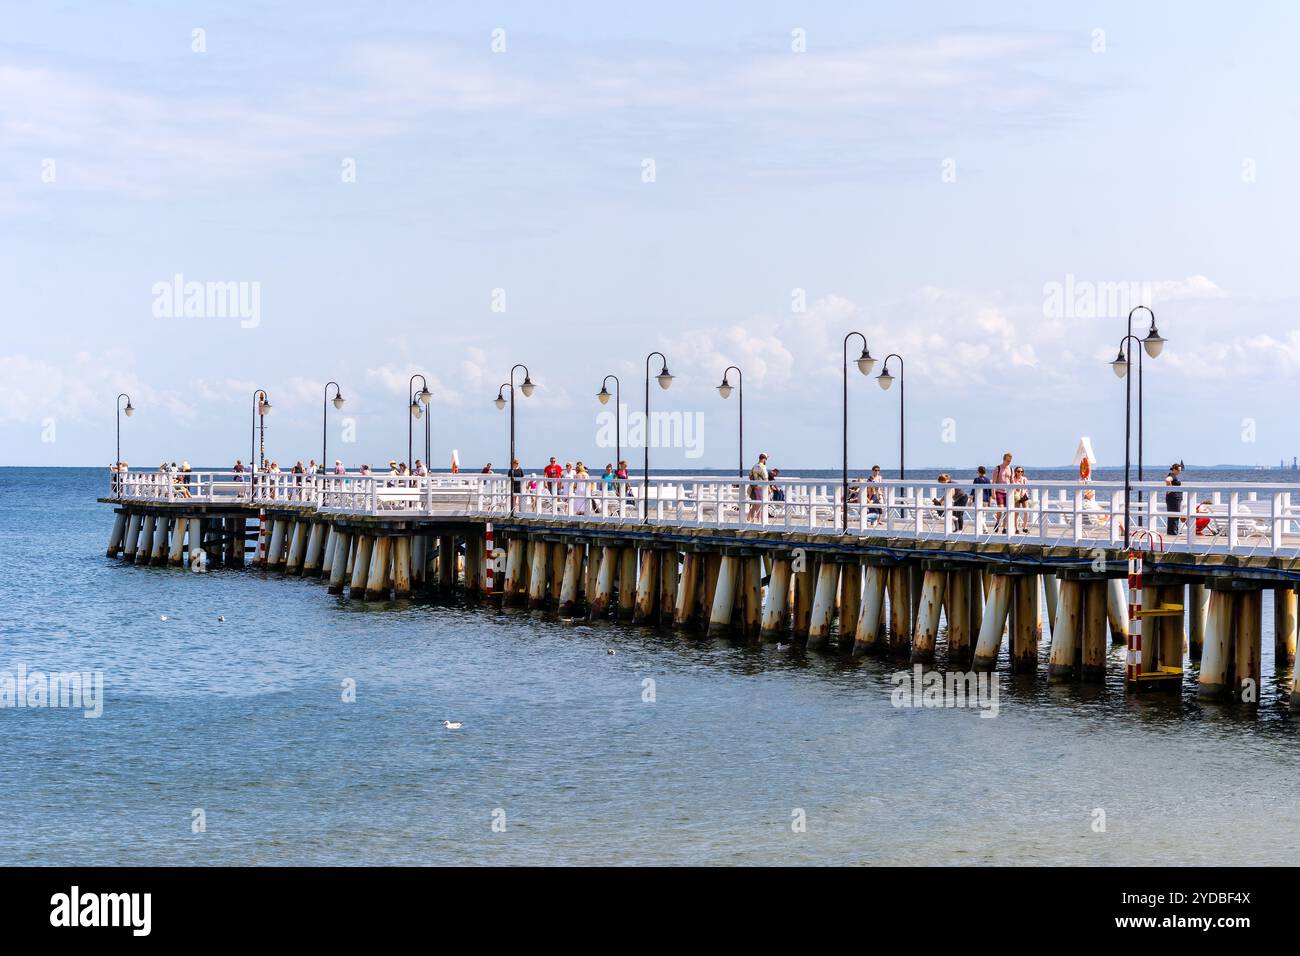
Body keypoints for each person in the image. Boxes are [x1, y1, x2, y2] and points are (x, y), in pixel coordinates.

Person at [992, 453, 1014, 531]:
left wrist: (1013, 492)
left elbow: (1012, 481)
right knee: (1000, 508)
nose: (1009, 462)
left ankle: (1004, 527)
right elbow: (993, 482)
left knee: (1007, 510)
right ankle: (997, 522)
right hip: (999, 491)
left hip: (1008, 492)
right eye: (1008, 461)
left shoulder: (1011, 469)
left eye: (1010, 461)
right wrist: (993, 492)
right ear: (1004, 459)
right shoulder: (997, 468)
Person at [747, 453, 769, 521]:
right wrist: (769, 488)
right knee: (762, 504)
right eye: (766, 459)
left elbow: (750, 476)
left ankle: (753, 519)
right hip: (762, 488)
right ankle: (761, 520)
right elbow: (766, 478)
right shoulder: (762, 467)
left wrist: (754, 484)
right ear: (764, 459)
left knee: (756, 504)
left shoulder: (754, 466)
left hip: (755, 487)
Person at [1165, 462, 1184, 535]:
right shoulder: (1172, 475)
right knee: (1174, 515)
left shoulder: (1174, 476)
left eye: (1180, 470)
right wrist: (1170, 489)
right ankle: (1173, 532)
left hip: (1175, 498)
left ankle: (1172, 531)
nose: (1180, 472)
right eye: (1179, 470)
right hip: (1173, 498)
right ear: (1174, 470)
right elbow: (1167, 480)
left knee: (1174, 515)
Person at [1011, 465, 1030, 533]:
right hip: (1016, 496)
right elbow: (1015, 488)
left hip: (1024, 495)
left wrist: (1022, 492)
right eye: (1018, 471)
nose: (1020, 473)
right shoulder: (1013, 479)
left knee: (1026, 511)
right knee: (1016, 513)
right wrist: (1018, 490)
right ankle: (1016, 528)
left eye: (1021, 471)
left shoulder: (1024, 478)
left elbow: (1025, 487)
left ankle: (1025, 527)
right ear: (1015, 472)